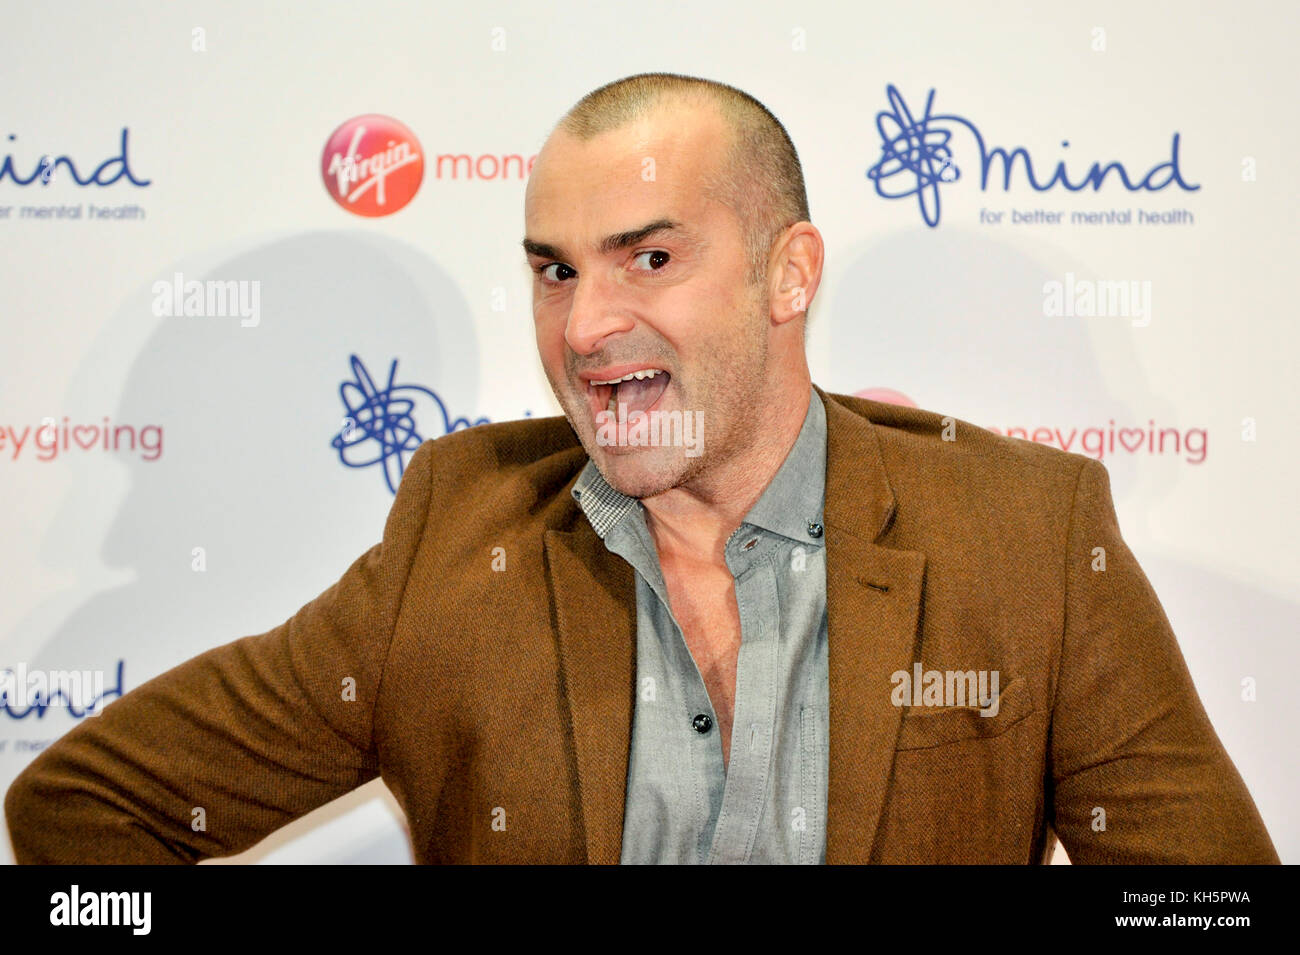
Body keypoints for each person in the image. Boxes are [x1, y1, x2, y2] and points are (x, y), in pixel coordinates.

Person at [5, 73, 1279, 864]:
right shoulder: (461, 532)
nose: (582, 325)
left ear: (790, 274)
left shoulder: (1025, 531)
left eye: (647, 260)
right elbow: (86, 812)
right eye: (555, 268)